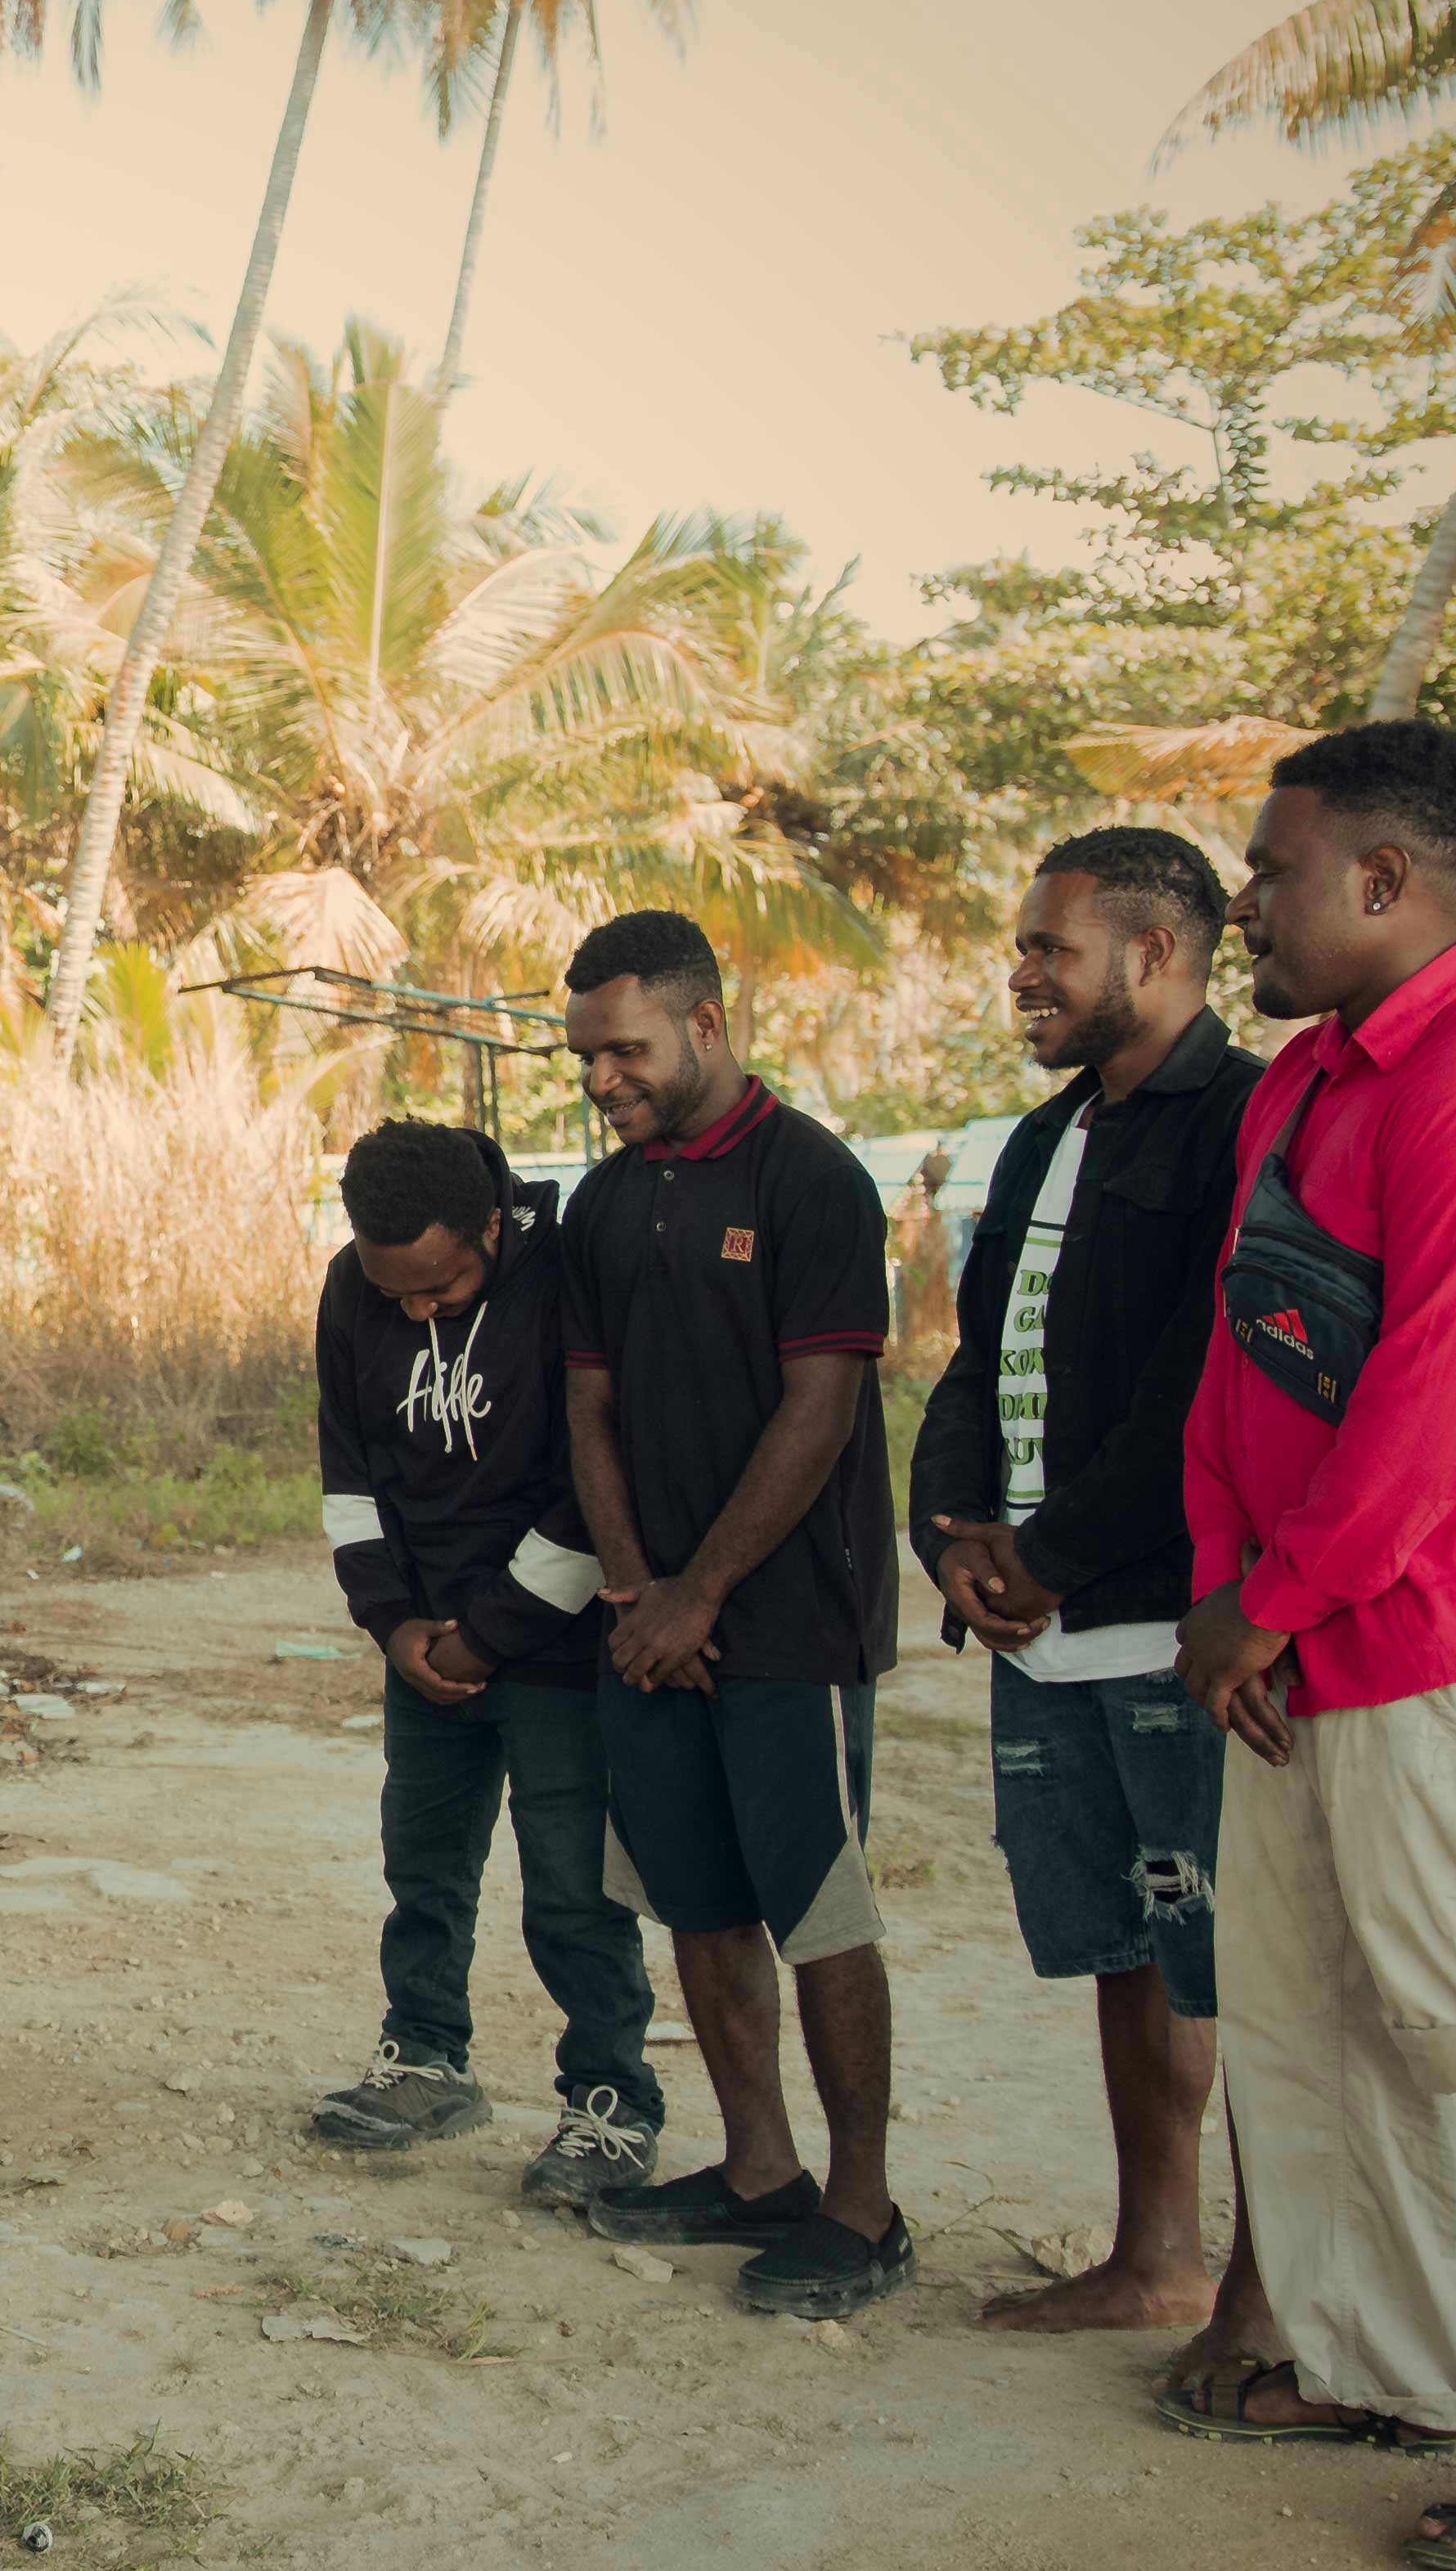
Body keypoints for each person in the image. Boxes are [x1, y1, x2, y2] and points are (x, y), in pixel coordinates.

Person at [1158, 721, 1456, 2571]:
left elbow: (1441, 1390)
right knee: (1323, 2019)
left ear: (1385, 882)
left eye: (1268, 872)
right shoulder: (1309, 1076)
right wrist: (1229, 1585)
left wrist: (1270, 1596)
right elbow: (1236, 1352)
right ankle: (1387, 2366)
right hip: (1309, 1631)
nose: (1244, 901)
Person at [907, 827, 1261, 2340]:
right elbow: (981, 1363)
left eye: (1051, 948)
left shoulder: (1249, 1121)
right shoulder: (1042, 1138)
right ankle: (1155, 2257)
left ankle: (1271, 2290)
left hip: (1174, 1620)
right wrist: (951, 1533)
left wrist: (1043, 1557)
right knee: (1121, 1942)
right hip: (1043, 1629)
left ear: (1158, 954)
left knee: (1226, 1955)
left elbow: (1202, 1382)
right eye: (1023, 946)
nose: (1021, 973)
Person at [555, 909, 914, 2320]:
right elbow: (589, 1405)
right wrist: (639, 1592)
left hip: (791, 1626)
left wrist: (704, 1593)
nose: (601, 1081)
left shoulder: (813, 1178)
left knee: (817, 1913)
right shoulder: (603, 1199)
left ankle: (863, 2205)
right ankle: (757, 2171)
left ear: (706, 1024)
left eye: (624, 1050)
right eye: (583, 1056)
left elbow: (822, 1409)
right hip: (652, 1624)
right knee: (697, 1906)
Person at [307, 1118, 662, 2206]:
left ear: (488, 1231)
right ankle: (426, 2057)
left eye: (440, 1291)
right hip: (423, 1640)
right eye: (394, 1294)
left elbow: (596, 1477)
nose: (415, 1312)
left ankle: (610, 2103)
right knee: (422, 1862)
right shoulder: (352, 1287)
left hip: (554, 1643)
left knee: (571, 1887)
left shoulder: (565, 1264)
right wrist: (394, 1625)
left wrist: (491, 1630)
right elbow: (350, 1472)